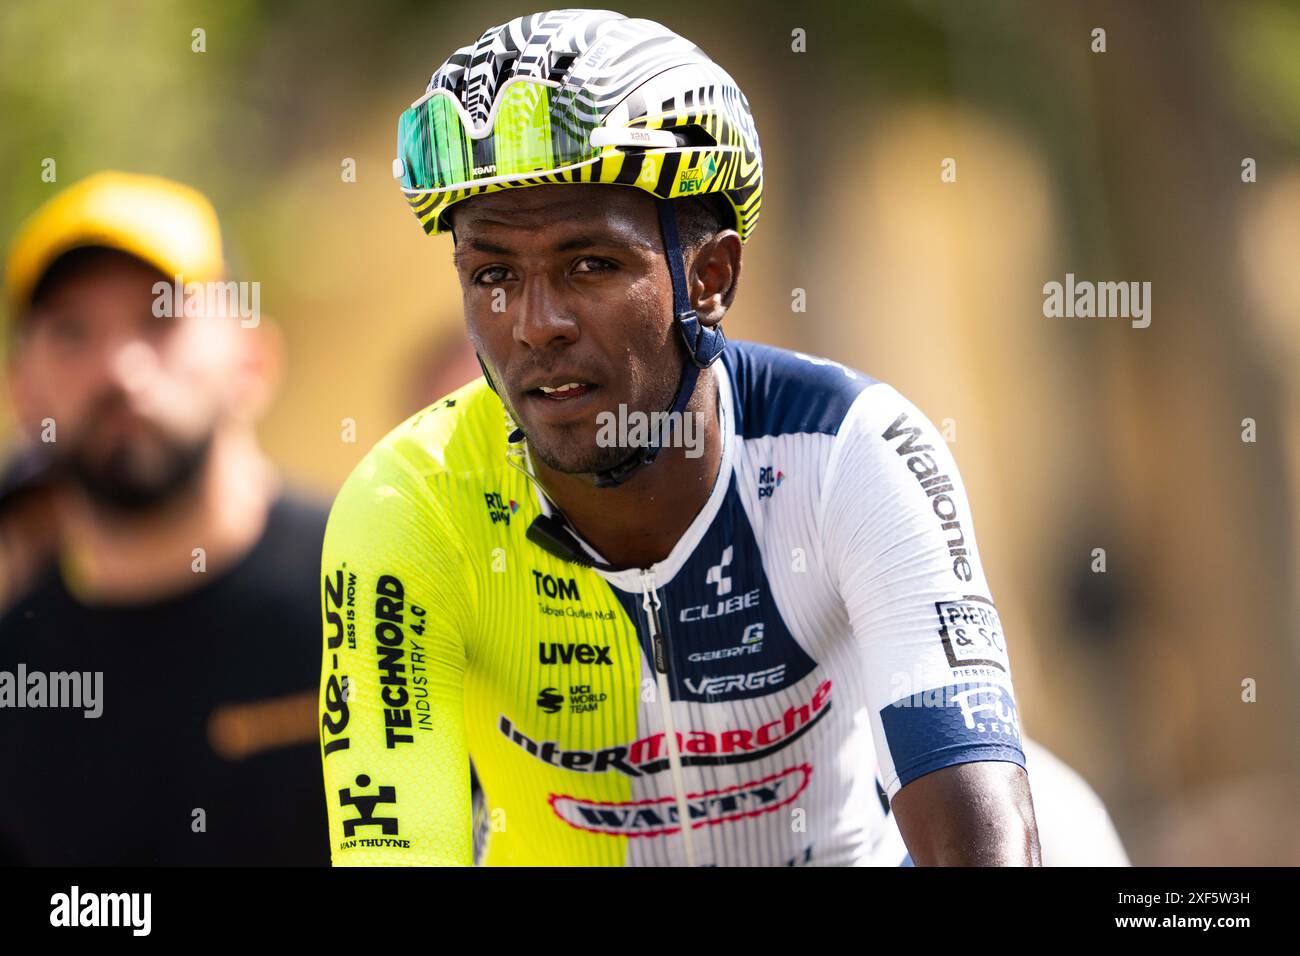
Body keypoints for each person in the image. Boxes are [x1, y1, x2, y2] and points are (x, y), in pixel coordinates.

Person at [321, 8, 1040, 866]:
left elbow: (985, 844)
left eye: (590, 264)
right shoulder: (409, 508)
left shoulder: (852, 451)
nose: (536, 324)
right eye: (493, 276)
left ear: (710, 277)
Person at [0, 171, 329, 864]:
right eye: (71, 332)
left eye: (161, 318)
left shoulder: (386, 590)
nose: (119, 368)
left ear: (253, 357)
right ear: (22, 390)